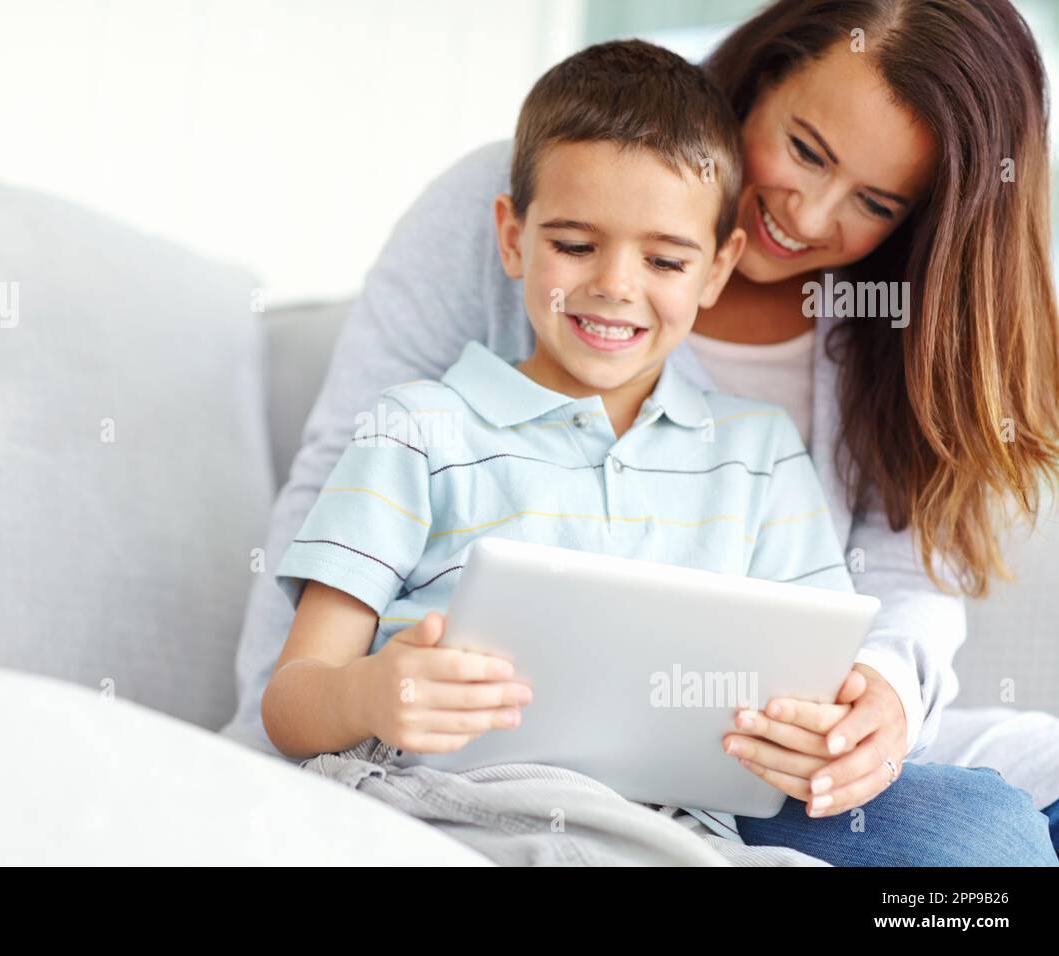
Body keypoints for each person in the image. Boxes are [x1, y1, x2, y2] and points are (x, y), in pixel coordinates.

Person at [253, 37, 1057, 866]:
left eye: (666, 259)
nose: (615, 285)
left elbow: (827, 666)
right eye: (574, 245)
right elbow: (293, 699)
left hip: (691, 822)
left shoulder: (759, 456)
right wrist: (367, 695)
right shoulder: (414, 431)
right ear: (510, 238)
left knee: (994, 843)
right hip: (459, 803)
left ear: (716, 270)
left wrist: (847, 718)